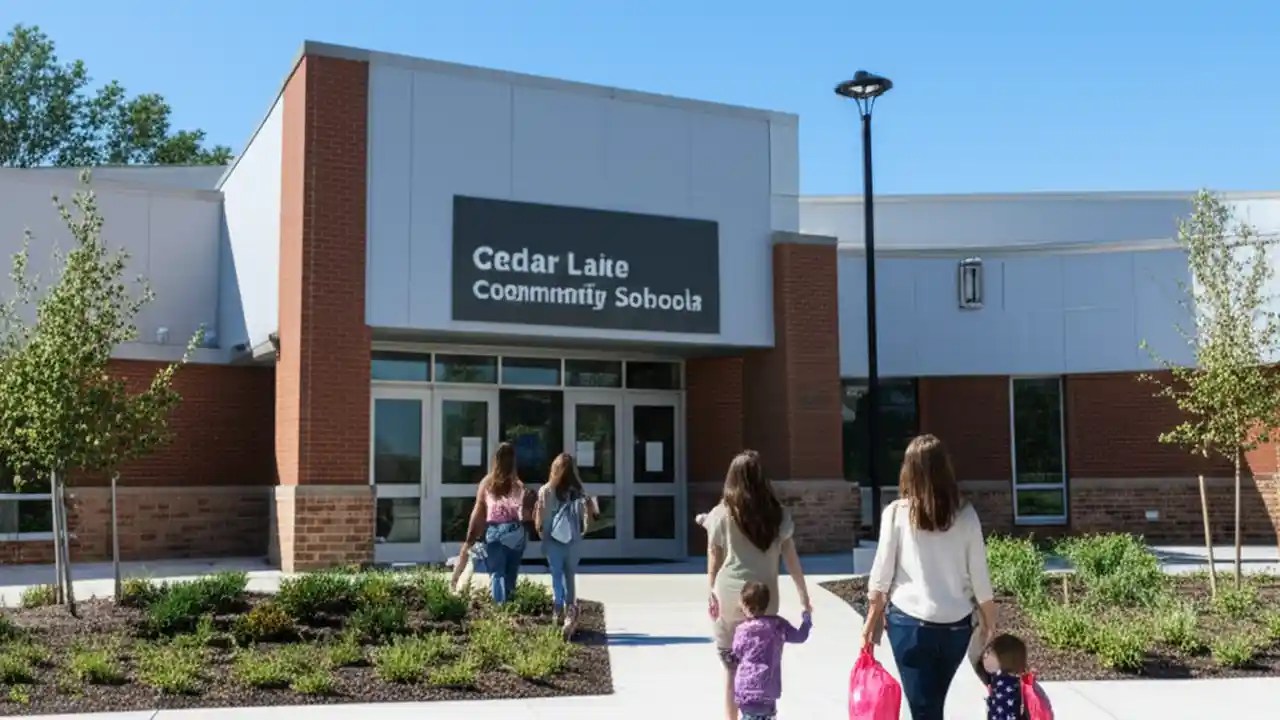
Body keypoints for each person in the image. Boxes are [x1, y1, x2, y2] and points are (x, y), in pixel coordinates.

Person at [860, 433, 998, 720]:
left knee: (924, 708)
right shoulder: (966, 514)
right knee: (931, 704)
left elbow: (880, 578)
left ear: (908, 470)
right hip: (955, 628)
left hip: (909, 626)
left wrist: (870, 623)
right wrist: (989, 621)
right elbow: (980, 578)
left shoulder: (897, 514)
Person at [705, 450, 813, 720]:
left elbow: (714, 556)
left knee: (732, 669)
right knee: (764, 663)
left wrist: (710, 591)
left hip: (730, 598)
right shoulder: (778, 515)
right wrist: (804, 596)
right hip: (766, 600)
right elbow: (792, 560)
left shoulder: (722, 513)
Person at [535, 452, 600, 639]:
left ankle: (558, 609)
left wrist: (543, 537)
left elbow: (542, 518)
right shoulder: (578, 492)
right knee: (569, 574)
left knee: (556, 573)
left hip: (553, 540)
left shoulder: (546, 490)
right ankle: (570, 610)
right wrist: (581, 532)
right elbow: (587, 518)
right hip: (573, 540)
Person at [725, 581, 812, 720]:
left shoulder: (742, 630)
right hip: (768, 689)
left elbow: (737, 652)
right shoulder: (778, 625)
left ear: (746, 605)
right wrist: (807, 619)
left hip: (746, 691)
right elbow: (800, 636)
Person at [464, 442, 529, 604]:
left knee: (496, 573)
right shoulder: (518, 485)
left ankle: (499, 609)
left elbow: (479, 511)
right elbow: (522, 513)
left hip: (495, 532)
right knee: (511, 573)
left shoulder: (488, 483)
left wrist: (471, 536)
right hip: (515, 532)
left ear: (496, 460)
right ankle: (510, 605)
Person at [975, 633, 1028, 720]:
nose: (984, 657)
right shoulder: (1014, 681)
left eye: (989, 653)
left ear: (1002, 658)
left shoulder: (1002, 686)